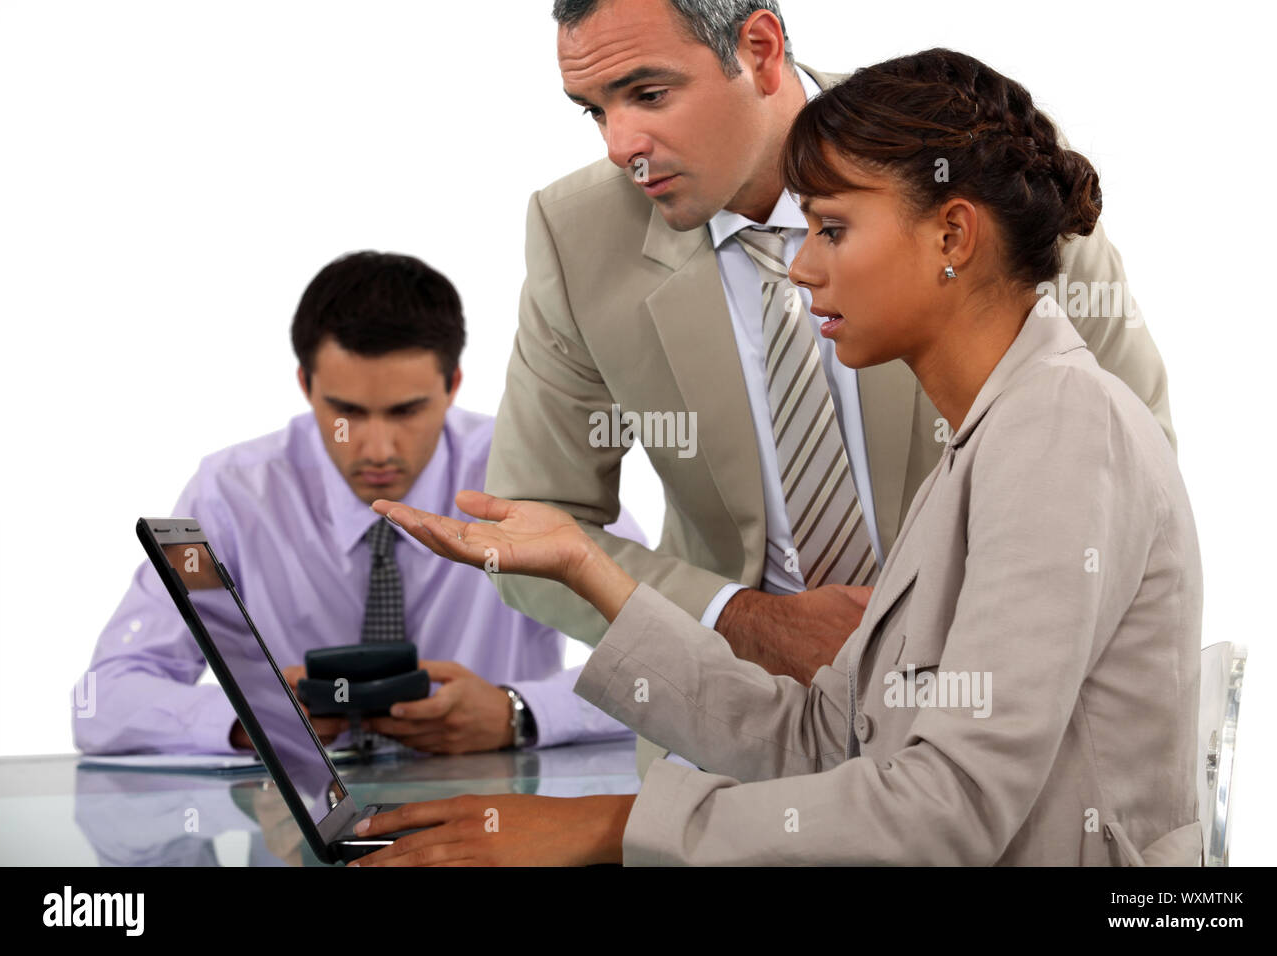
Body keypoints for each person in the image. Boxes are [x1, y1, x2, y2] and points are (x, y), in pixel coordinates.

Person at [352, 48, 1201, 866]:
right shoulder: (983, 437)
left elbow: (950, 807)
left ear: (953, 235)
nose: (797, 268)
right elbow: (821, 737)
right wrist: (585, 566)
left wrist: (606, 830)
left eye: (830, 229)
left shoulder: (1058, 427)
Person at [484, 0, 1175, 715]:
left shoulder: (958, 147)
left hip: (998, 709)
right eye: (593, 110)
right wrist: (742, 619)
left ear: (759, 48)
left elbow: (1128, 462)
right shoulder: (575, 235)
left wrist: (947, 658)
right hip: (732, 727)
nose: (619, 143)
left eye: (649, 94)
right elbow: (531, 526)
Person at [73, 252, 640, 757]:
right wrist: (256, 717)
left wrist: (519, 712)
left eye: (405, 411)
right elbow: (103, 701)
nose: (376, 450)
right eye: (346, 411)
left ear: (453, 384)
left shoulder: (531, 475)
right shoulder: (232, 493)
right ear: (304, 384)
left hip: (494, 827)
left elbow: (667, 661)